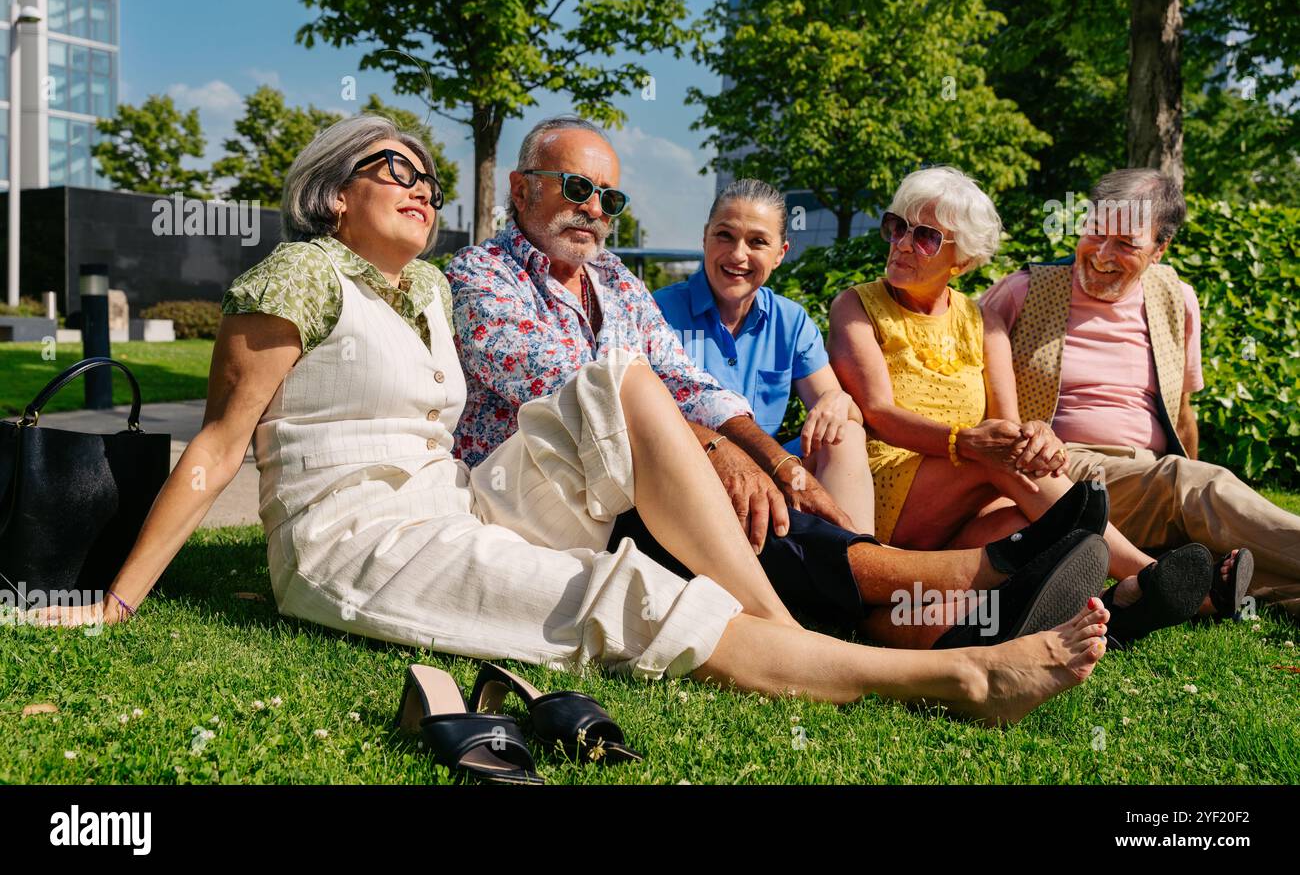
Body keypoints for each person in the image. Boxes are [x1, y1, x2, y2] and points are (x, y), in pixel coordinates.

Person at [33, 114, 1108, 725]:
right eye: (390, 170)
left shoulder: (424, 296)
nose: (417, 183)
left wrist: (762, 455)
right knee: (623, 588)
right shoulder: (311, 277)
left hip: (465, 497)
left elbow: (662, 381)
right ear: (329, 196)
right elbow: (221, 444)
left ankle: (868, 617)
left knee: (633, 387)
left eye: (422, 171)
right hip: (356, 539)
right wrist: (121, 601)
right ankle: (952, 664)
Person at [446, 116, 1111, 649]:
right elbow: (579, 396)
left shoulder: (617, 281)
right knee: (749, 515)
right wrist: (717, 451)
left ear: (779, 252)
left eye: (608, 197)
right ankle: (975, 573)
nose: (593, 208)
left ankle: (954, 618)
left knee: (776, 506)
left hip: (641, 482)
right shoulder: (481, 276)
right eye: (575, 187)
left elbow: (687, 379)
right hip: (547, 486)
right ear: (521, 186)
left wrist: (771, 460)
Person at [828, 165, 1246, 646]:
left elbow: (1008, 425)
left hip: (965, 503)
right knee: (1007, 464)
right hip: (887, 488)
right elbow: (878, 411)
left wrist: (1035, 435)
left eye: (924, 237)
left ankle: (1111, 607)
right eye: (896, 226)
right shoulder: (856, 305)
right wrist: (969, 442)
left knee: (1037, 528)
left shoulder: (982, 320)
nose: (901, 243)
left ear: (960, 261)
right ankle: (1156, 577)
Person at [980, 167, 1299, 619]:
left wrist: (1191, 481)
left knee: (1217, 531)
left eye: (1127, 244)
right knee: (1196, 484)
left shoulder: (1177, 298)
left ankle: (1267, 598)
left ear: (1159, 249)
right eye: (1095, 233)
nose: (1102, 255)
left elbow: (1181, 410)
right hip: (1061, 469)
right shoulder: (1023, 291)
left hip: (1150, 479)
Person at [653, 178, 874, 534]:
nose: (738, 255)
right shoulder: (657, 312)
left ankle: (857, 553)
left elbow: (847, 414)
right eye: (725, 235)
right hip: (694, 473)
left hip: (778, 474)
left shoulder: (791, 321)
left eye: (757, 242)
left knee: (844, 433)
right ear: (705, 238)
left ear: (780, 253)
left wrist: (838, 400)